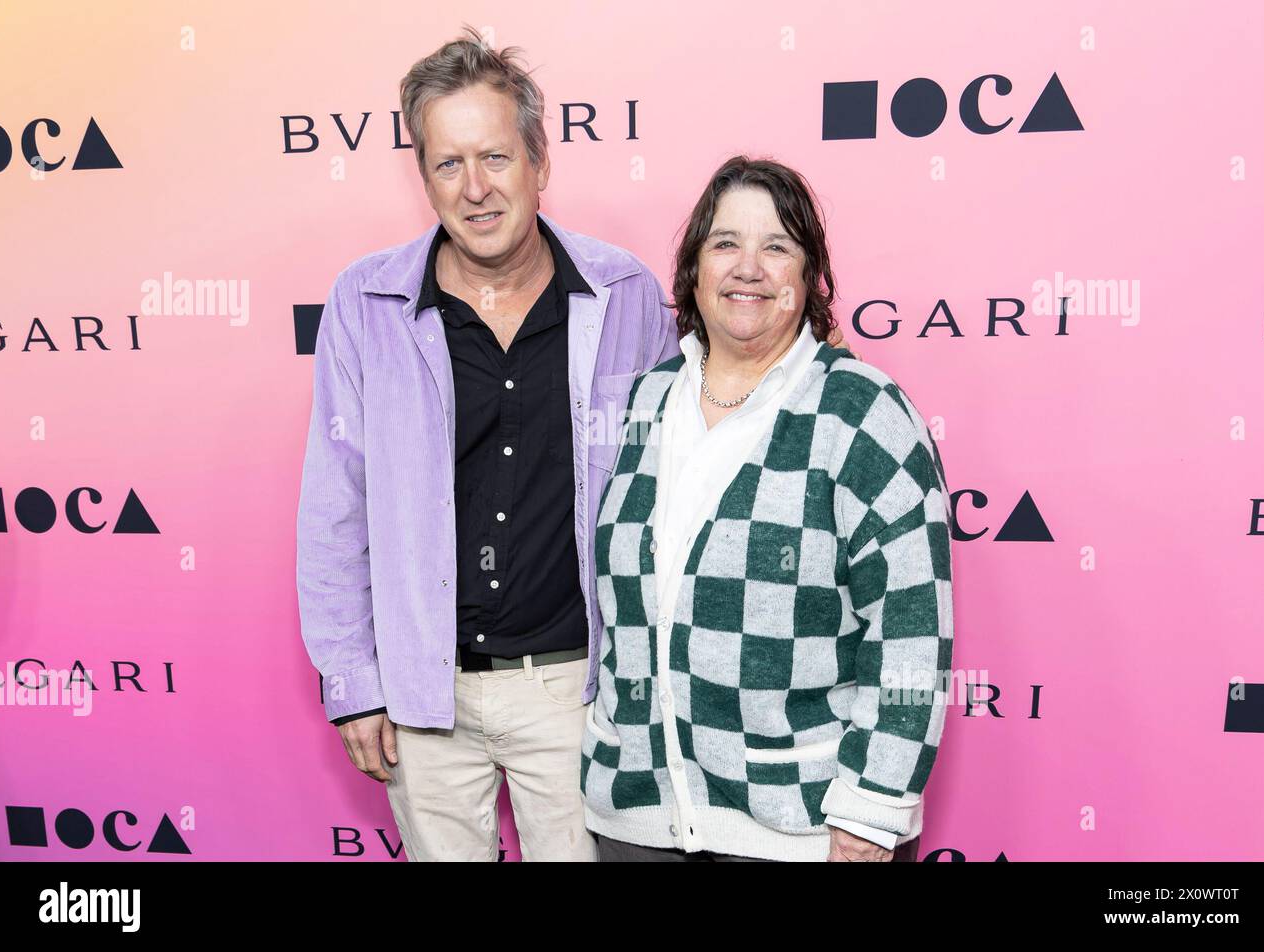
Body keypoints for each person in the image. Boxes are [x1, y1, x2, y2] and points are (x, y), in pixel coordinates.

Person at [295, 28, 852, 862]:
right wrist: (352, 683)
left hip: (579, 690)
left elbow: (691, 464)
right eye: (449, 164)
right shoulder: (364, 303)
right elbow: (335, 505)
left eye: (497, 157)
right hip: (421, 692)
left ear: (539, 160)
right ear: (423, 176)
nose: (476, 188)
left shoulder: (623, 291)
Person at [582, 156, 954, 862]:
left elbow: (911, 627)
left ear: (808, 277)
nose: (747, 267)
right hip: (638, 823)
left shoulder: (862, 412)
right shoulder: (645, 402)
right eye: (725, 243)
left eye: (776, 245)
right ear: (693, 267)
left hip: (805, 833)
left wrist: (872, 814)